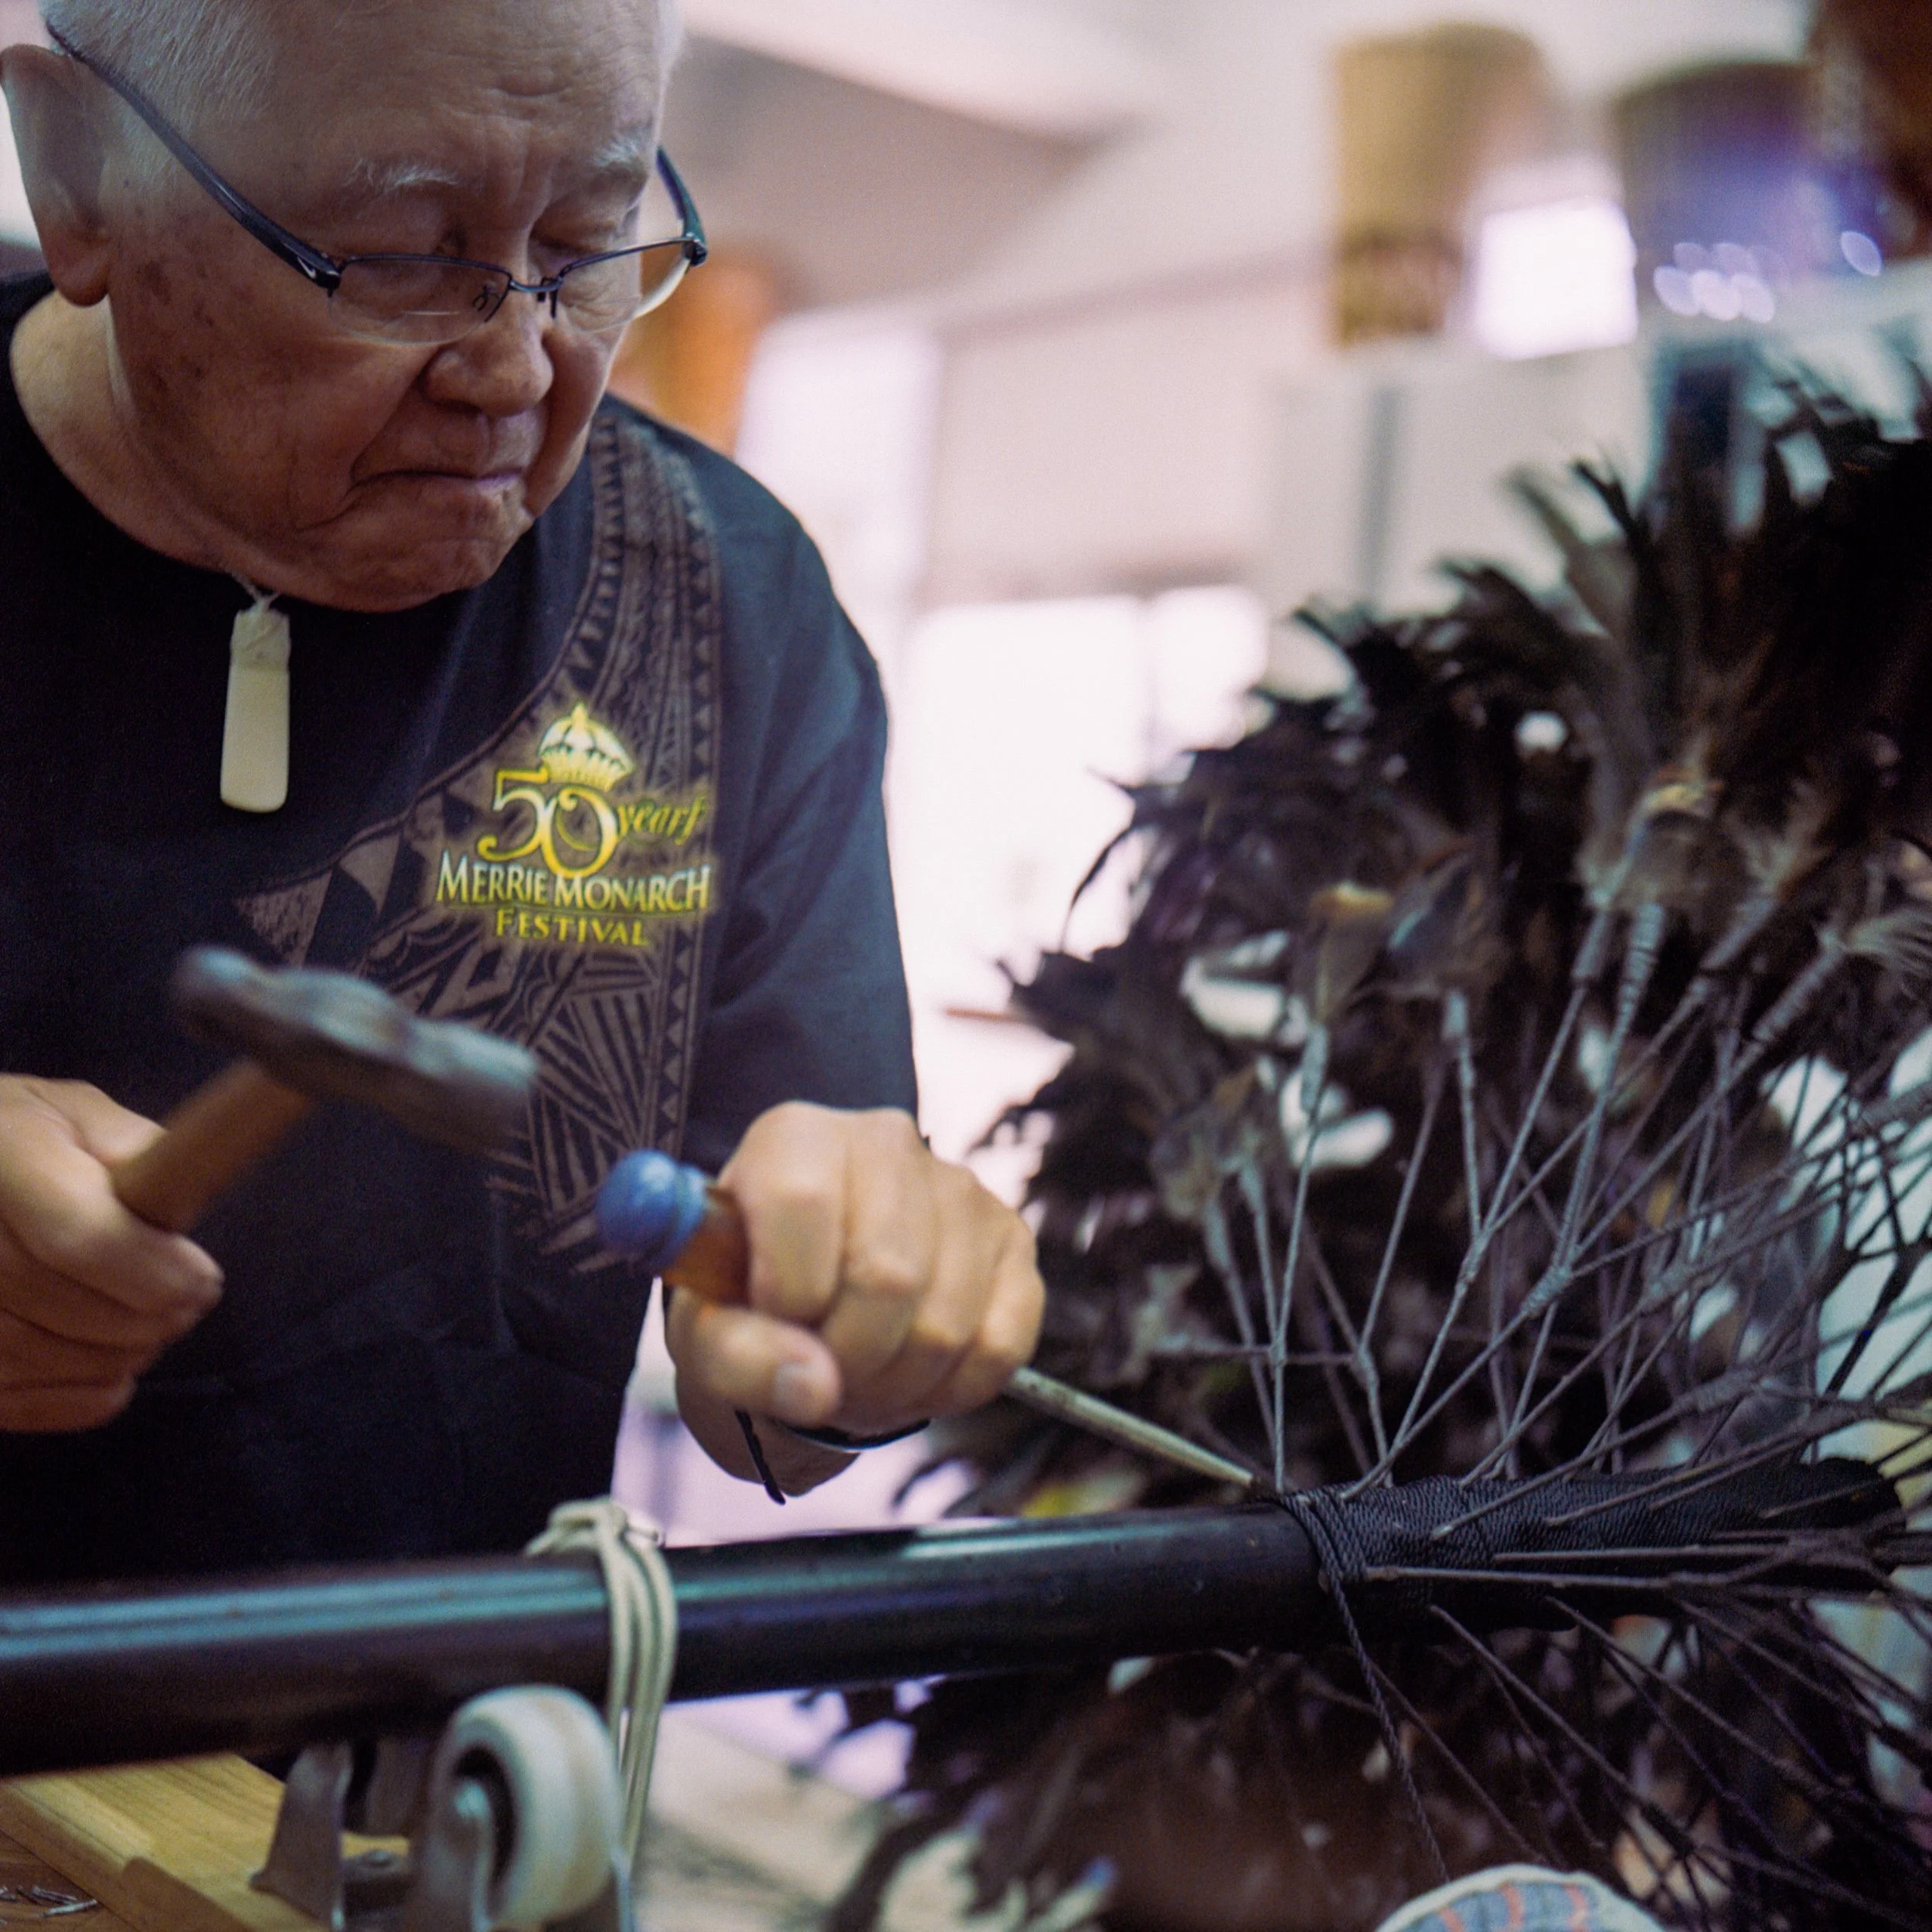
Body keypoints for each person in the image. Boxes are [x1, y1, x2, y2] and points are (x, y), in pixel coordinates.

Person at [0, 0, 1043, 1582]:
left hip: (430, 1774)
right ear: (82, 179)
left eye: (590, 232)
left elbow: (778, 1391)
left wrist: (864, 1321)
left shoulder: (716, 604)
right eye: (403, 249)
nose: (514, 365)